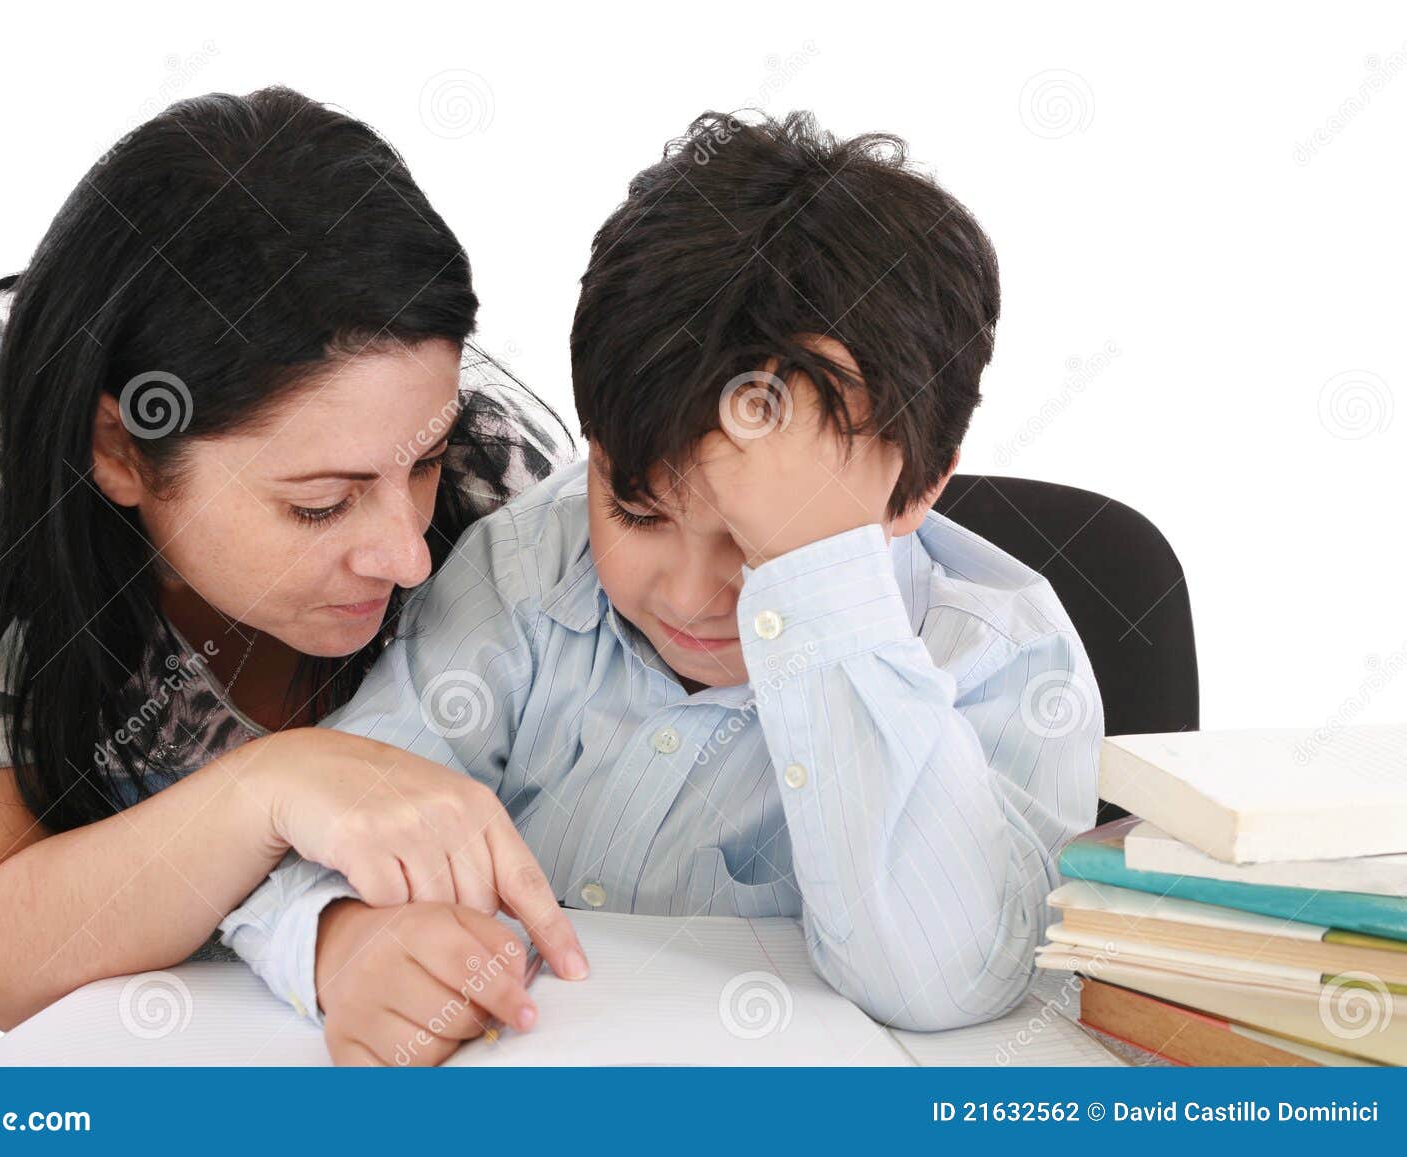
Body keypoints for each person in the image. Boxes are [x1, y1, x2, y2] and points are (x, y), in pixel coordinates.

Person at [222, 110, 1104, 1065]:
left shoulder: (1008, 665)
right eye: (638, 513)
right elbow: (329, 814)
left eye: (760, 550)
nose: (690, 593)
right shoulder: (525, 572)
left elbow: (945, 979)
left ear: (921, 487)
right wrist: (345, 935)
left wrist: (822, 591)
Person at [0, 86, 588, 1067]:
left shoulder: (493, 471)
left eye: (422, 463)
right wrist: (268, 782)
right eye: (319, 503)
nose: (410, 555)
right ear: (123, 453)